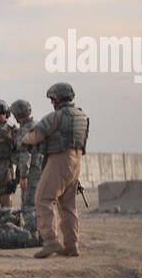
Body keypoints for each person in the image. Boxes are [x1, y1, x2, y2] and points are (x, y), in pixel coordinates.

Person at [19, 82, 89, 258]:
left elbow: (36, 136)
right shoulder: (82, 116)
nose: (52, 102)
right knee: (68, 205)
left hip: (59, 159)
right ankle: (72, 245)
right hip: (76, 161)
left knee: (43, 199)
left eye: (52, 99)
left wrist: (23, 139)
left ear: (57, 98)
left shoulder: (55, 116)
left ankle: (51, 242)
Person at [10, 98, 44, 233]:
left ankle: (32, 234)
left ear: (19, 115)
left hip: (31, 173)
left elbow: (25, 155)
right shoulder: (36, 125)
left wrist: (23, 177)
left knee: (29, 205)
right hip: (40, 169)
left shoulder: (26, 130)